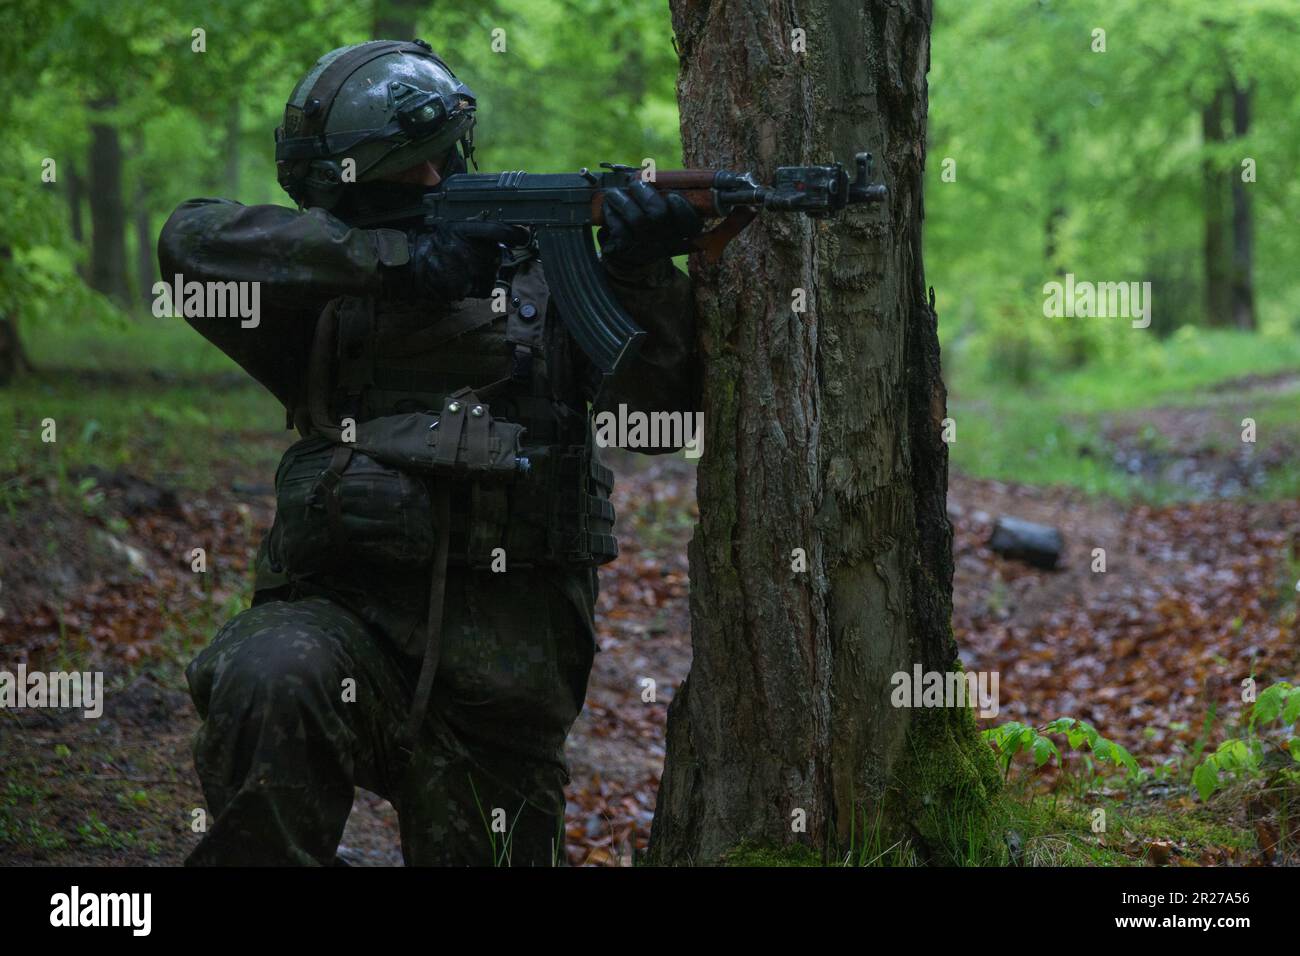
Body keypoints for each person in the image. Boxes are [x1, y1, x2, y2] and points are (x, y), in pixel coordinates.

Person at [158, 38, 701, 865]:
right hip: (346, 634)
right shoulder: (321, 298)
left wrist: (639, 272)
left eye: (441, 160)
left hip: (504, 688)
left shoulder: (545, 272)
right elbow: (190, 243)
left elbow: (662, 410)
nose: (436, 184)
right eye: (405, 173)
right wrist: (399, 262)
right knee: (273, 673)